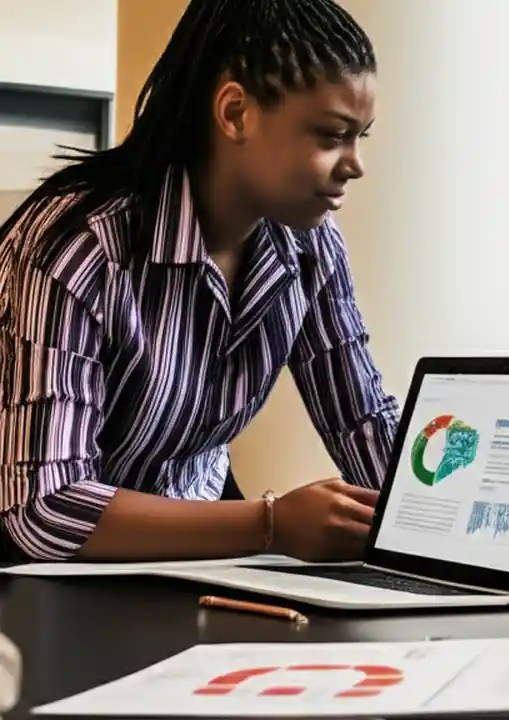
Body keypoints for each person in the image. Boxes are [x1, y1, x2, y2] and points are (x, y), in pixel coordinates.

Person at [0, 0, 398, 562]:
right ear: (236, 113)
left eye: (361, 137)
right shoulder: (82, 244)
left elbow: (363, 422)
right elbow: (46, 509)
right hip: (39, 576)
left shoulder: (311, 247)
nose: (354, 164)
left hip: (200, 559)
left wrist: (460, 524)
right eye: (332, 135)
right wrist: (270, 526)